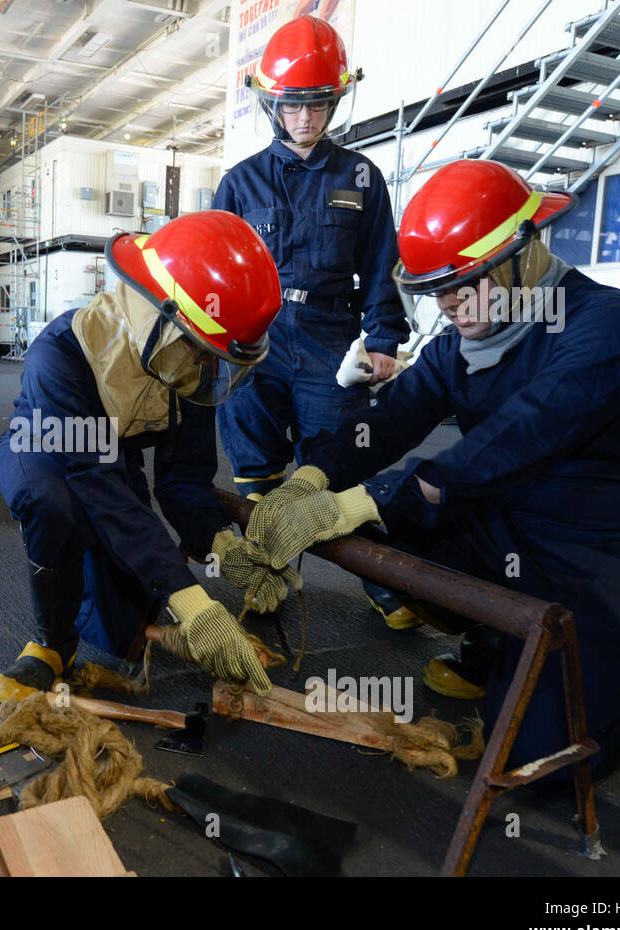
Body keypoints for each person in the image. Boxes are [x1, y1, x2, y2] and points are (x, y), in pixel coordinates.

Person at [229, 159, 620, 780]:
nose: (450, 305)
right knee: (372, 536)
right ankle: (499, 640)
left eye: (466, 282)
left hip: (616, 563)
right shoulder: (467, 338)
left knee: (536, 765)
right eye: (436, 290)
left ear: (523, 254)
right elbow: (398, 412)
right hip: (519, 532)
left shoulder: (613, 328)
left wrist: (363, 497)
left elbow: (517, 436)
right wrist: (313, 477)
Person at [0, 211, 288, 703]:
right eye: (200, 352)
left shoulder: (188, 354)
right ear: (162, 318)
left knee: (127, 616)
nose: (206, 367)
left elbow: (183, 481)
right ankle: (52, 644)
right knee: (54, 504)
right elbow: (98, 487)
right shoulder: (61, 354)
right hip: (44, 445)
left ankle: (122, 613)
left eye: (214, 357)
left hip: (110, 454)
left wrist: (222, 550)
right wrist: (193, 602)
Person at [212, 14, 414, 629]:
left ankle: (384, 584)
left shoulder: (362, 177)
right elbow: (216, 268)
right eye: (293, 105)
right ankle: (269, 586)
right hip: (256, 340)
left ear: (336, 100)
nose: (305, 118)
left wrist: (382, 340)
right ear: (272, 103)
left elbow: (383, 265)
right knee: (257, 472)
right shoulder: (239, 183)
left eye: (319, 104)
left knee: (335, 469)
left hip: (331, 341)